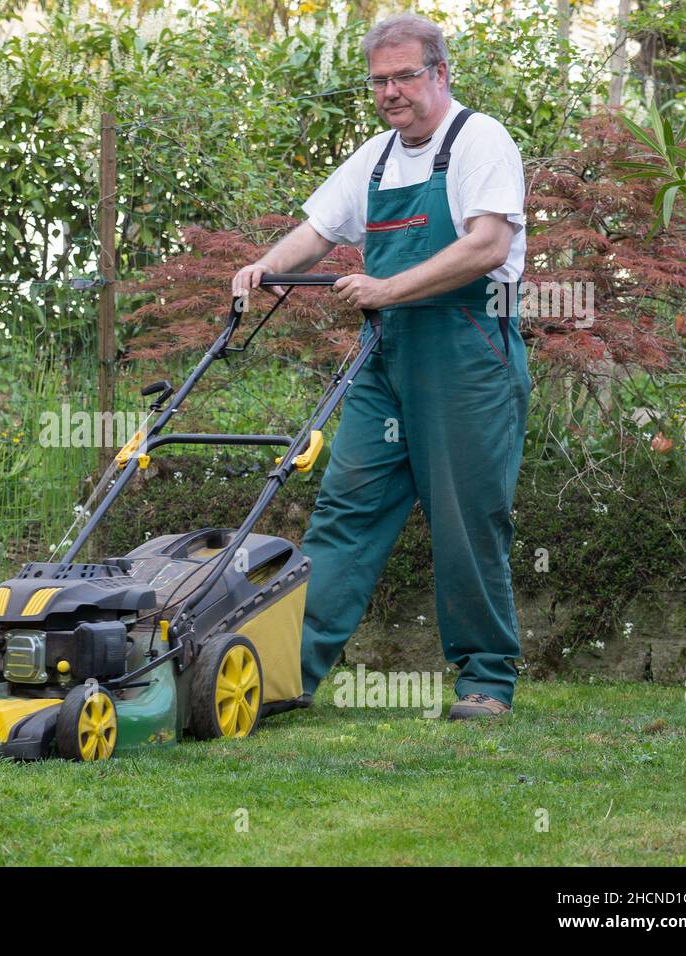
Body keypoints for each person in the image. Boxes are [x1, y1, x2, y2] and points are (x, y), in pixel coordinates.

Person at [231, 13, 531, 719]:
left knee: (466, 521)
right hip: (387, 360)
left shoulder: (479, 141)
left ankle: (486, 679)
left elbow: (487, 245)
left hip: (467, 356)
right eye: (379, 81)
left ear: (440, 74)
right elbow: (317, 230)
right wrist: (264, 267)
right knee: (345, 512)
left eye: (405, 76)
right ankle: (285, 677)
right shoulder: (372, 157)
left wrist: (389, 288)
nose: (391, 91)